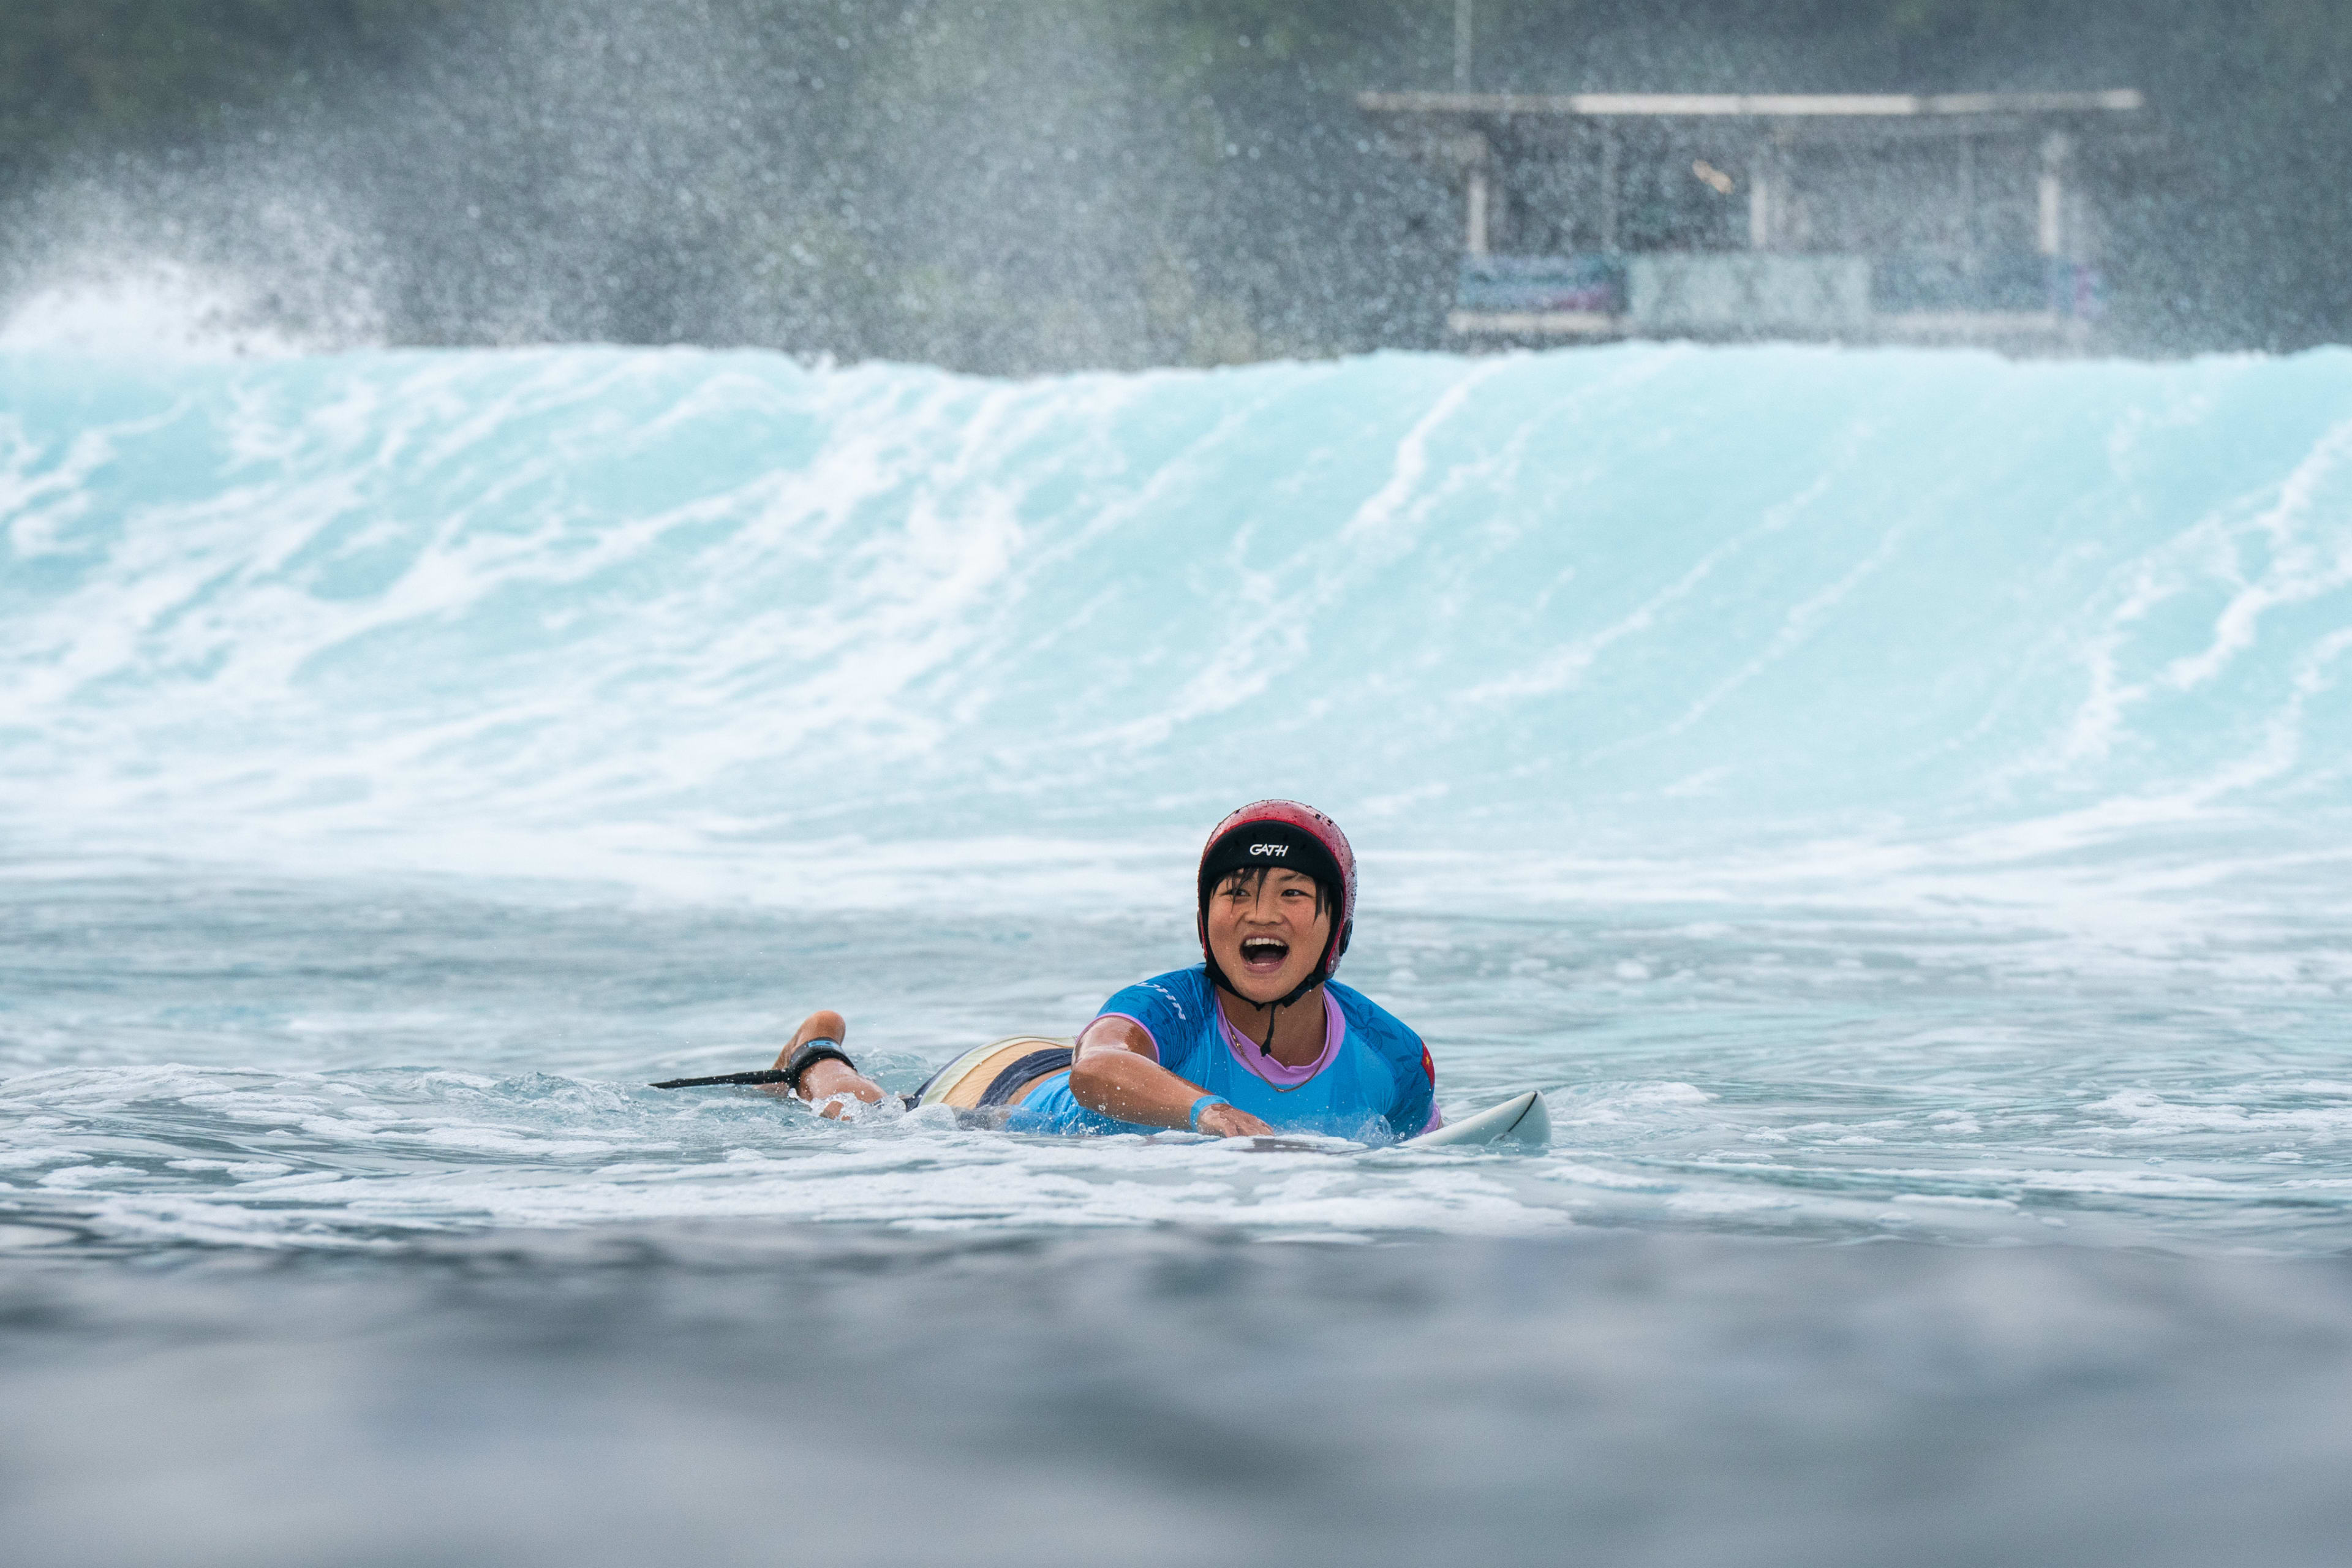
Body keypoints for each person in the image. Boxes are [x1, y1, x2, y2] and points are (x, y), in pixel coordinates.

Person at [760, 800, 1438, 1142]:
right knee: (869, 1120)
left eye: (1292, 893)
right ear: (1206, 921)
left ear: (1335, 925)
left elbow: (1430, 1151)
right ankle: (814, 1057)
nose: (1261, 915)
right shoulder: (1170, 1004)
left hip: (1077, 1068)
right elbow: (1094, 1069)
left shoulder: (1393, 1055)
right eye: (1235, 893)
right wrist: (1215, 1116)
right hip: (1006, 1093)